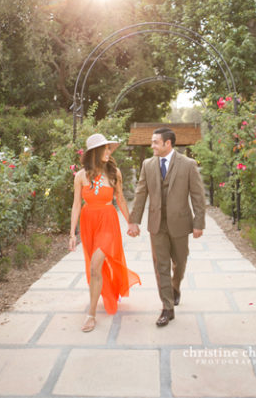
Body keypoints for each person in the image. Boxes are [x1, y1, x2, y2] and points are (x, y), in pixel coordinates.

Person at [127, 127, 206, 327]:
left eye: (155, 142)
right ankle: (167, 307)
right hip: (157, 224)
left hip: (180, 222)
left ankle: (175, 286)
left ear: (167, 143)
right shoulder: (147, 165)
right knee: (160, 265)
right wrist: (134, 220)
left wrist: (199, 223)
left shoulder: (188, 165)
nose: (152, 145)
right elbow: (140, 193)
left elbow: (198, 195)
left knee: (180, 262)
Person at [69, 133, 140, 333]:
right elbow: (76, 205)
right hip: (88, 222)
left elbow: (121, 199)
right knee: (96, 268)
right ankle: (104, 291)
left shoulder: (114, 173)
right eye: (105, 148)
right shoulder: (80, 176)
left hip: (108, 222)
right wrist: (72, 233)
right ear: (95, 152)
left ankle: (91, 315)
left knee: (95, 266)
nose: (108, 152)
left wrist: (131, 222)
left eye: (109, 148)